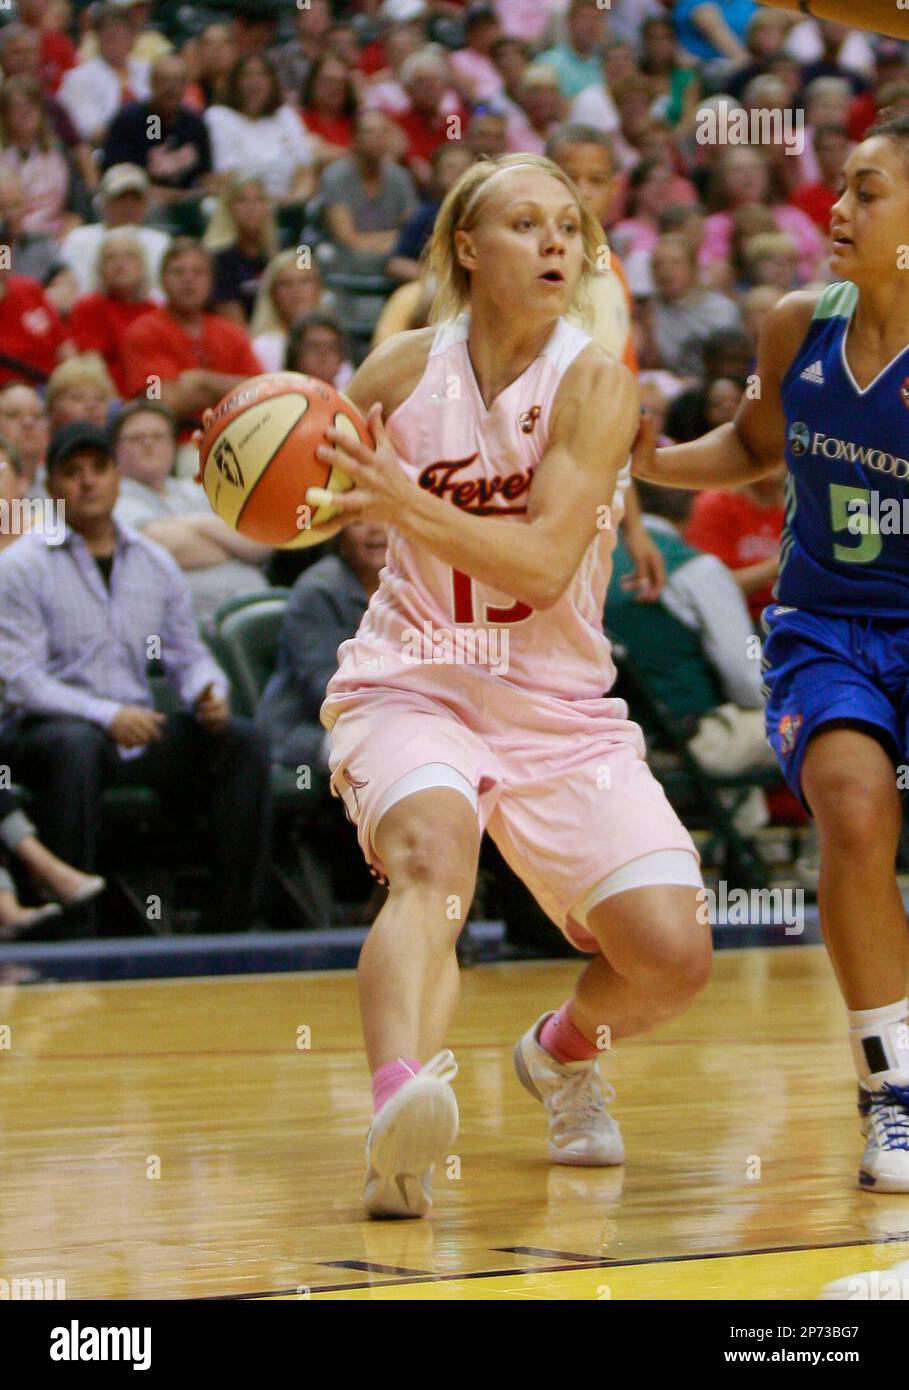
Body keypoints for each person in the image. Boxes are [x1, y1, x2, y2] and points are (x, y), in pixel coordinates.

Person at [257, 152, 709, 1219]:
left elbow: (546, 563)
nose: (556, 242)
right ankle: (397, 1119)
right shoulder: (398, 372)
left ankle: (557, 1056)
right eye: (525, 224)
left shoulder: (598, 382)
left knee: (675, 954)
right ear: (468, 247)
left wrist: (402, 500)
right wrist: (252, 470)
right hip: (414, 680)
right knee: (433, 868)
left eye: (568, 225)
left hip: (559, 709)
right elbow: (302, 507)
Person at [633, 116, 909, 1207]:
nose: (837, 209)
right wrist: (649, 457)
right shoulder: (796, 323)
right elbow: (754, 451)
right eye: (840, 188)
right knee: (852, 810)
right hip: (824, 628)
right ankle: (892, 1088)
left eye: (870, 192)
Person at [0, 420, 273, 937]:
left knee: (243, 743)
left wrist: (207, 691)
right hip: (45, 731)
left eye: (98, 469)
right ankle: (70, 928)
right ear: (52, 485)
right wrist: (108, 715)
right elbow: (22, 682)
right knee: (73, 746)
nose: (86, 483)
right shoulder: (21, 565)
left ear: (116, 477)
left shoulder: (153, 562)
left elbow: (187, 654)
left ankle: (232, 926)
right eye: (72, 472)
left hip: (135, 728)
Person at [111, 401, 271, 633]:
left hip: (258, 605)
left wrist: (196, 527)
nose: (148, 444)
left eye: (158, 436)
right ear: (116, 450)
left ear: (173, 445)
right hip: (197, 628)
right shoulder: (118, 498)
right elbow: (169, 549)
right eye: (136, 438)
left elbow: (261, 541)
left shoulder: (196, 489)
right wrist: (229, 540)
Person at [257, 521, 387, 776]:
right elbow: (327, 686)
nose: (376, 528)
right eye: (360, 521)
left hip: (385, 718)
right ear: (338, 536)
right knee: (386, 751)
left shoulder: (408, 587)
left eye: (385, 516)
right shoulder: (318, 589)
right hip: (305, 730)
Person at [119, 239, 263, 439]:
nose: (188, 279)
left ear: (211, 280)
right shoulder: (144, 331)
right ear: (162, 280)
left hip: (237, 438)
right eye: (178, 272)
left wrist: (201, 381)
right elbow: (158, 400)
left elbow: (261, 391)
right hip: (174, 441)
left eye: (198, 272)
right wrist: (233, 390)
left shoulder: (232, 332)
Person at [101, 53, 215, 208]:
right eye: (164, 81)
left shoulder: (194, 123)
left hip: (190, 205)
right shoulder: (130, 121)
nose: (171, 88)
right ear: (151, 83)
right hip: (142, 205)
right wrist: (176, 197)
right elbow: (121, 180)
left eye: (178, 82)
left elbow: (206, 175)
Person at [204, 53, 314, 205]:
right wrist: (263, 203)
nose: (254, 82)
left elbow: (305, 171)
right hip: (240, 206)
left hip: (288, 207)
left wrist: (291, 202)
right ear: (235, 82)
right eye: (247, 75)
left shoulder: (286, 115)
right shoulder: (219, 116)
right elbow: (226, 177)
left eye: (262, 75)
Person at [59, 164, 171, 297]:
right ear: (103, 202)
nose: (128, 206)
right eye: (120, 198)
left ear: (146, 204)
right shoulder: (78, 239)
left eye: (135, 199)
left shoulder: (161, 243)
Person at [68, 233, 157, 396]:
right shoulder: (89, 307)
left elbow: (157, 370)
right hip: (109, 400)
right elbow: (92, 366)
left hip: (149, 397)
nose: (120, 263)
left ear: (142, 266)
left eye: (129, 256)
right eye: (111, 258)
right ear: (100, 268)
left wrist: (154, 402)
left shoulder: (155, 312)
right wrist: (116, 405)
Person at [57, 3, 150, 146]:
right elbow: (91, 132)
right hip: (105, 153)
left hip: (153, 153)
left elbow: (160, 124)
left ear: (133, 36)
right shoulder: (77, 79)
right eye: (108, 30)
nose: (115, 36)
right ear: (97, 37)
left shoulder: (148, 72)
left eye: (122, 30)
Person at [203, 174, 277, 326]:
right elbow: (234, 325)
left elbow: (306, 264)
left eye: (259, 200)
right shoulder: (218, 258)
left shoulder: (284, 251)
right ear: (228, 208)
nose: (252, 207)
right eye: (242, 200)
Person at [248, 252, 330, 374]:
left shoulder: (332, 342)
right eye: (286, 283)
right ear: (272, 294)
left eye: (304, 281)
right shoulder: (262, 347)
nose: (296, 290)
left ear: (318, 289)